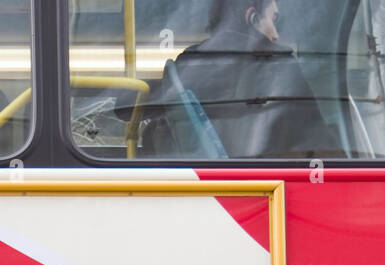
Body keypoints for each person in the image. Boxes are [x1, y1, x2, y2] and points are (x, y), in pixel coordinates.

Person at [142, 0, 343, 159]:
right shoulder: (279, 65)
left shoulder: (186, 63)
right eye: (274, 20)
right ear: (252, 18)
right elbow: (319, 145)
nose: (276, 34)